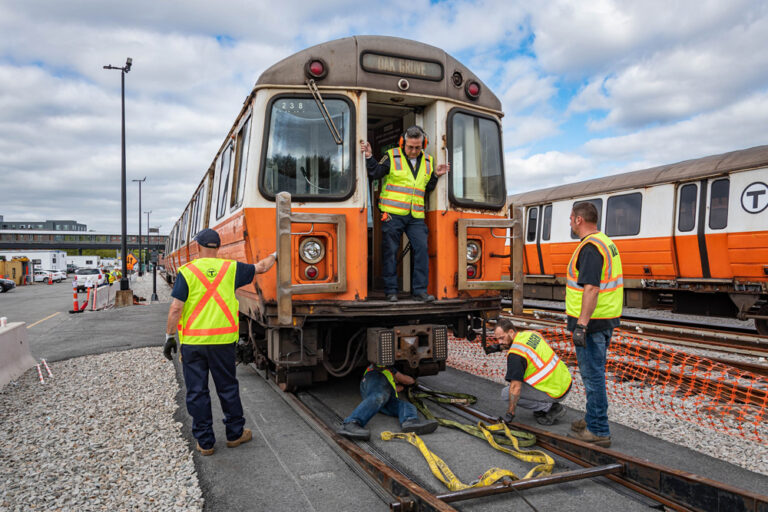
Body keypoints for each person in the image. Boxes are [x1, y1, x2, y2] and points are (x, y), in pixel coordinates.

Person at [163, 228, 277, 456]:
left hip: (194, 344)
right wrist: (276, 253)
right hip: (223, 343)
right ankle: (235, 434)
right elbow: (262, 267)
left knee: (197, 392)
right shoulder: (231, 269)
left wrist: (169, 337)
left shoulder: (187, 272)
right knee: (227, 388)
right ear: (219, 247)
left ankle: (205, 442)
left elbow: (176, 308)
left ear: (197, 247)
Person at [360, 125, 450, 303]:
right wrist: (369, 156)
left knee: (422, 249)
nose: (414, 150)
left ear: (423, 144)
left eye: (418, 147)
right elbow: (376, 173)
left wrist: (436, 176)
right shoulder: (392, 156)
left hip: (415, 215)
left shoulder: (429, 161)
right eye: (410, 147)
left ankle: (420, 291)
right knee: (390, 251)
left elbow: (427, 188)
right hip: (392, 213)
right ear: (403, 143)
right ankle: (391, 290)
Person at [566, 201, 623, 447]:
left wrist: (581, 325)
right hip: (605, 319)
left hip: (592, 324)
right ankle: (592, 418)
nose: (569, 222)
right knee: (594, 374)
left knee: (593, 377)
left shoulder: (589, 248)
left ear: (579, 219)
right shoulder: (605, 242)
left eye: (570, 218)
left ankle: (598, 429)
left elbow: (591, 288)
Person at [489, 319, 572, 426]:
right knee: (523, 376)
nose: (500, 342)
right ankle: (544, 405)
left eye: (502, 338)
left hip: (556, 391)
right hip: (565, 380)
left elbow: (515, 388)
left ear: (510, 332)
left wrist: (510, 413)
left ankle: (552, 408)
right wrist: (500, 347)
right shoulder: (530, 334)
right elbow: (531, 345)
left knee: (506, 393)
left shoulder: (515, 356)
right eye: (498, 339)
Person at [337, 364, 439, 441]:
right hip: (374, 378)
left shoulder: (389, 387)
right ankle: (350, 423)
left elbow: (398, 388)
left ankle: (410, 421)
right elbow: (405, 380)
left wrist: (401, 387)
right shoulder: (387, 368)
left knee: (405, 405)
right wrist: (414, 382)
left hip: (382, 397)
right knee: (378, 396)